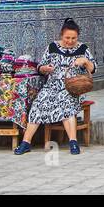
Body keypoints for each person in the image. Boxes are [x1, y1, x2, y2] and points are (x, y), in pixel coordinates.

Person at [14, 18, 95, 155]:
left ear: (78, 37)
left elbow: (93, 69)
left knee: (65, 101)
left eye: (73, 38)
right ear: (61, 35)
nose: (70, 41)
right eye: (67, 38)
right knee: (38, 104)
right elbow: (40, 66)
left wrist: (85, 62)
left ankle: (73, 142)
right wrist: (45, 68)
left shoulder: (83, 48)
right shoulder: (52, 47)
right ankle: (26, 143)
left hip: (72, 87)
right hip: (51, 86)